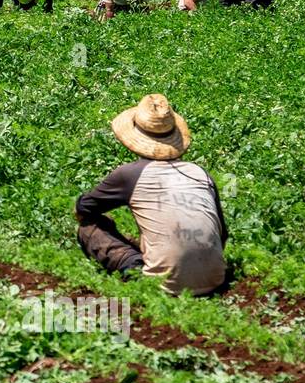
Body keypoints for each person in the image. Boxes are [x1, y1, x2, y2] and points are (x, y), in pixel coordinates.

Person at [75, 93, 227, 296]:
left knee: (89, 228)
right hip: (216, 280)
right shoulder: (201, 173)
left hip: (163, 287)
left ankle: (141, 271)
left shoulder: (129, 174)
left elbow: (84, 207)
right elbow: (223, 234)